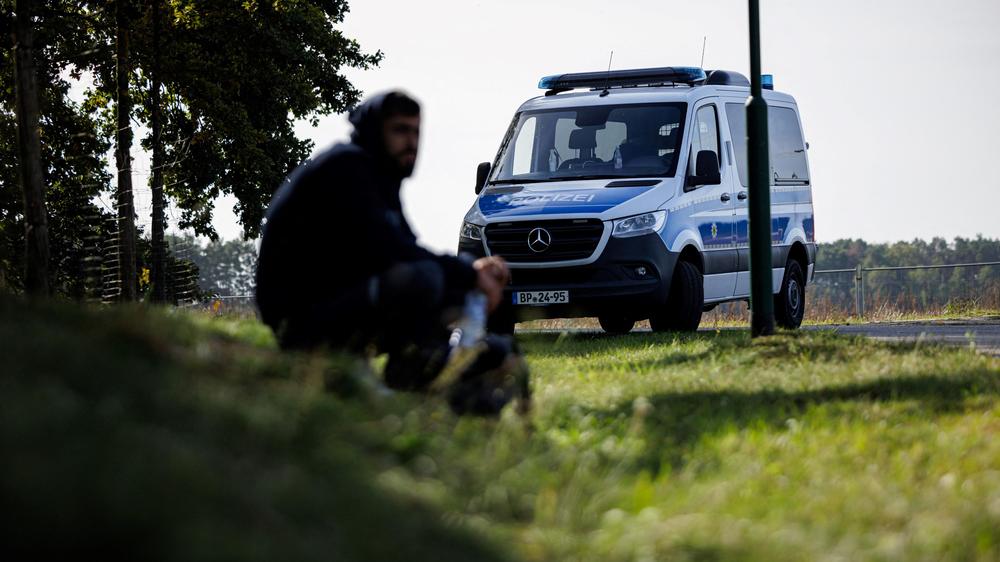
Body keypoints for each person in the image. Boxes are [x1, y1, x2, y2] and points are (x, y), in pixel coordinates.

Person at [255, 90, 528, 415]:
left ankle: (429, 373)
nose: (411, 142)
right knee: (424, 278)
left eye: (416, 132)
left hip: (337, 298)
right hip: (299, 317)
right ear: (375, 131)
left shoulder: (379, 177)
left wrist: (469, 275)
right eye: (400, 130)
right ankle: (365, 368)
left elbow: (405, 245)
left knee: (444, 280)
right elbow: (391, 250)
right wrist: (470, 273)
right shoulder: (347, 168)